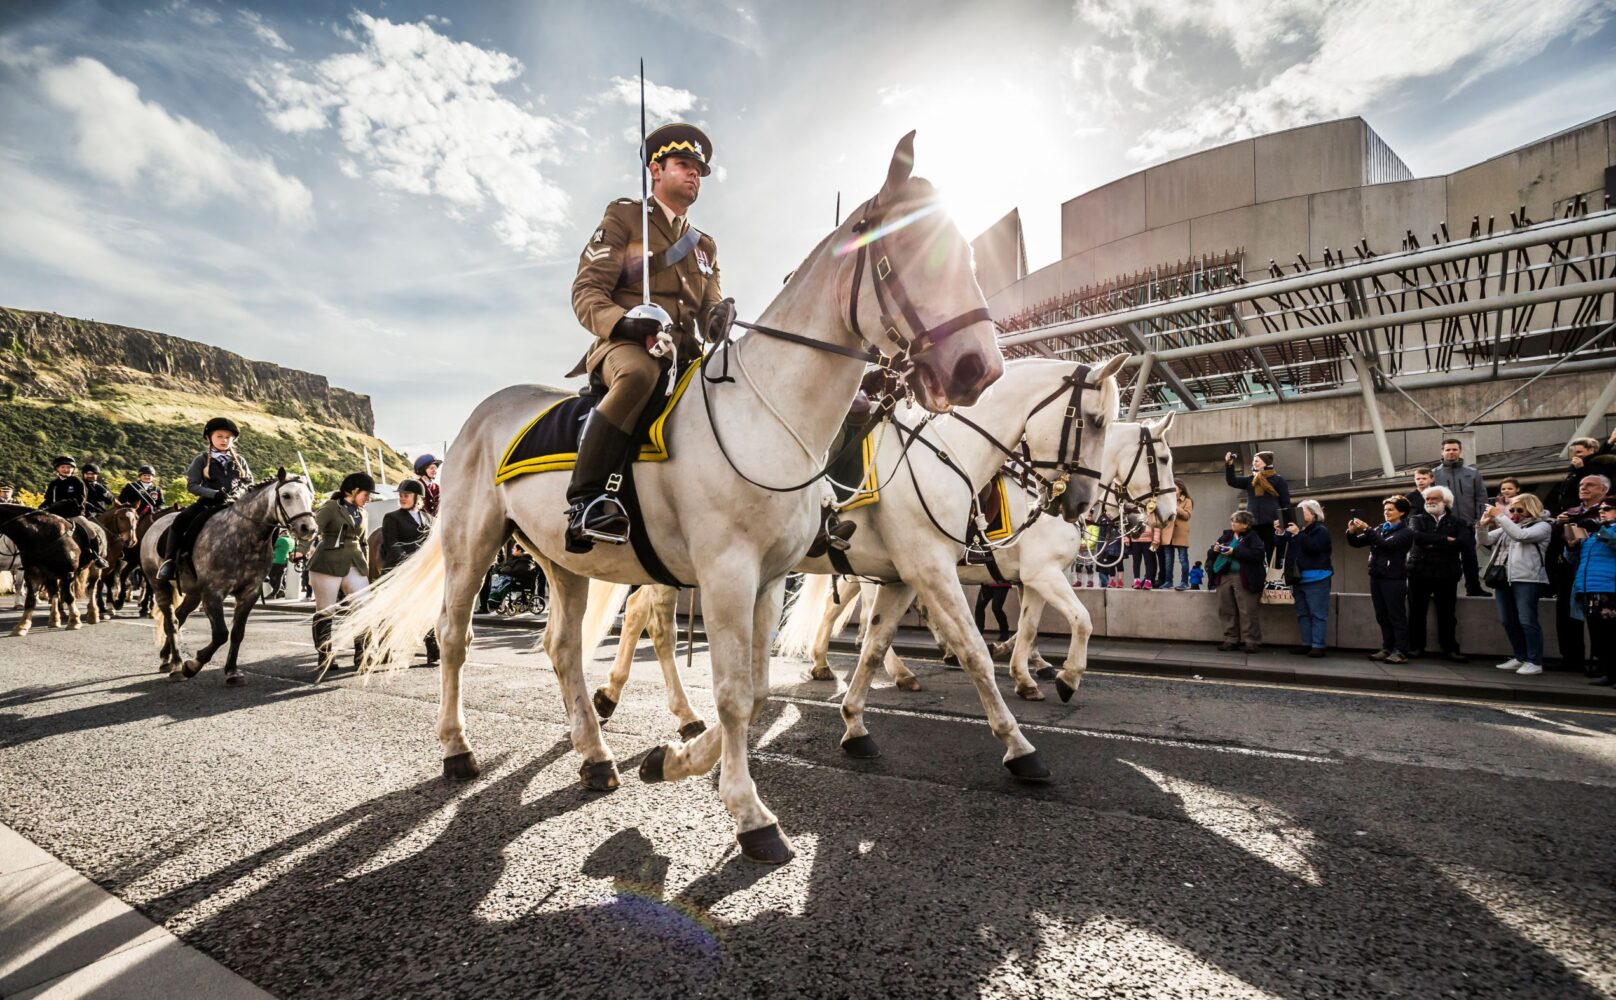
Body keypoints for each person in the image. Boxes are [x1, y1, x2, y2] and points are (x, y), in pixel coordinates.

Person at [566, 122, 732, 553]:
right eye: (684, 164)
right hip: (626, 344)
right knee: (642, 374)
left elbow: (708, 309)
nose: (694, 174)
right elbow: (586, 292)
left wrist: (721, 318)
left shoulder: (705, 246)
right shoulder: (624, 217)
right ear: (656, 170)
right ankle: (586, 500)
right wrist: (622, 324)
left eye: (699, 169)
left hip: (685, 353)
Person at [158, 418, 252, 582]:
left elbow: (248, 482)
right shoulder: (200, 460)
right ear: (210, 438)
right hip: (208, 504)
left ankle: (256, 564)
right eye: (220, 436)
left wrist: (238, 493)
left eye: (228, 437)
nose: (224, 440)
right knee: (181, 520)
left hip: (236, 505)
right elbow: (192, 486)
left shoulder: (240, 461)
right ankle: (170, 561)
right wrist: (215, 494)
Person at [1479, 493, 1553, 675]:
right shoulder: (1508, 525)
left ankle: (1534, 660)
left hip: (1527, 578)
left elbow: (1521, 536)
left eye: (1520, 509)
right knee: (1507, 620)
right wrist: (1481, 525)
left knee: (1527, 620)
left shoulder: (1542, 525)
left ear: (1532, 509)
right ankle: (1520, 656)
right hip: (1504, 577)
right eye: (1512, 509)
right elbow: (1485, 541)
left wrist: (1501, 517)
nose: (1515, 513)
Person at [309, 473, 375, 673]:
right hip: (327, 562)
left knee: (364, 607)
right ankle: (325, 654)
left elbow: (363, 542)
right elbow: (313, 528)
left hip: (355, 562)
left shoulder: (363, 513)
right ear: (352, 490)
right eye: (366, 493)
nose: (368, 498)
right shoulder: (331, 507)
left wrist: (367, 567)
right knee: (326, 610)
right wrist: (302, 549)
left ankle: (363, 654)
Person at [1547, 473, 1610, 675]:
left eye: (1590, 485)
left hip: (1601, 577)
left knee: (1600, 622)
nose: (1583, 488)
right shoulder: (1571, 511)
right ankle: (1571, 658)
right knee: (1565, 614)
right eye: (1582, 485)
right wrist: (1560, 525)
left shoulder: (1605, 514)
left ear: (1604, 490)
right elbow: (1567, 544)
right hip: (1573, 569)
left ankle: (1604, 664)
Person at [1346, 496, 1415, 664]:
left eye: (1391, 510)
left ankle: (1400, 651)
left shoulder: (1406, 532)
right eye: (1385, 510)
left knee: (1396, 616)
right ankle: (1387, 648)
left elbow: (1387, 546)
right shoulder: (1380, 528)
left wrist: (1368, 529)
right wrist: (1351, 532)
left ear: (1402, 512)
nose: (1387, 513)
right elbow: (1356, 543)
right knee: (1382, 616)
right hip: (1377, 576)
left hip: (1394, 578)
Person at [1406, 485, 1467, 662]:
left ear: (1446, 502)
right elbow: (1416, 537)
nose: (1430, 502)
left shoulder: (1458, 522)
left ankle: (1450, 648)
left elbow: (1463, 543)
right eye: (1428, 499)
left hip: (1447, 572)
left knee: (1447, 613)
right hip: (1419, 571)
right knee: (1417, 612)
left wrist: (1431, 542)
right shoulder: (1416, 519)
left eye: (1434, 499)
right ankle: (1416, 647)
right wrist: (1445, 539)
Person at [381, 479, 438, 663]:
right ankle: (385, 646)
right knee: (392, 610)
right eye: (401, 495)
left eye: (406, 495)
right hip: (399, 569)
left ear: (417, 497)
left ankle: (432, 647)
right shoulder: (391, 517)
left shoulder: (430, 519)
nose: (402, 498)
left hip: (423, 572)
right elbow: (392, 544)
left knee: (428, 609)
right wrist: (409, 562)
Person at [1431, 438, 1487, 596]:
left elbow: (1481, 498)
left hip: (1467, 524)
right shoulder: (1434, 474)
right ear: (1442, 452)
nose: (1451, 452)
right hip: (1444, 525)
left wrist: (1479, 519)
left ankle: (1474, 588)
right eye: (1448, 450)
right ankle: (1445, 590)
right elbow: (1428, 499)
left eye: (1454, 449)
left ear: (1460, 451)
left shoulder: (1473, 473)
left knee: (1470, 558)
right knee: (1445, 559)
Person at [1571, 499, 1616, 686]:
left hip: (1609, 587)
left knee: (1612, 633)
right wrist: (1571, 545)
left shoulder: (1605, 531)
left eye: (1607, 508)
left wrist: (1600, 530)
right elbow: (1574, 559)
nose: (1602, 512)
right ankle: (1609, 673)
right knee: (1598, 634)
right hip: (1588, 587)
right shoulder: (1594, 534)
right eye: (1600, 509)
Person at [1225, 450, 1292, 567]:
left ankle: (1273, 577)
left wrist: (1283, 521)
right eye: (1253, 461)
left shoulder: (1278, 480)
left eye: (1257, 461)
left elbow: (1285, 502)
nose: (1254, 463)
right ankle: (1255, 575)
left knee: (1272, 551)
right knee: (1252, 550)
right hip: (1253, 522)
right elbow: (1232, 481)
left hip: (1271, 522)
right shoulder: (1250, 479)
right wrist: (1229, 465)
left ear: (1265, 463)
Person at [1209, 511, 1265, 652]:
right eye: (1232, 521)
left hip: (1244, 577)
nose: (1232, 524)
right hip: (1224, 576)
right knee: (1225, 609)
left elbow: (1258, 555)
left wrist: (1234, 552)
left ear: (1246, 525)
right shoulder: (1226, 535)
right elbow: (1211, 554)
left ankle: (1251, 642)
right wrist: (1215, 549)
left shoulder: (1253, 537)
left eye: (1236, 522)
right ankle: (1230, 639)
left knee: (1247, 610)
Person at [1283, 499, 1333, 657]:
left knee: (1318, 614)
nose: (1299, 514)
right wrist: (1280, 531)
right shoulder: (1297, 530)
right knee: (1302, 613)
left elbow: (1314, 548)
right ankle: (1306, 643)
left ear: (1314, 514)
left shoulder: (1321, 530)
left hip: (1317, 578)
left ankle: (1318, 645)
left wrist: (1298, 534)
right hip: (1298, 578)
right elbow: (1280, 544)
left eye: (1302, 511)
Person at [1548, 433, 1616, 513]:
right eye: (1573, 452)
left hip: (1588, 511)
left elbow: (1593, 481)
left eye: (1579, 452)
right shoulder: (1575, 469)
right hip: (1571, 511)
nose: (1576, 455)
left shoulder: (1598, 465)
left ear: (1591, 450)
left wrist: (1580, 469)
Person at [1155, 483, 1192, 589]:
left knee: (1183, 559)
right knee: (1168, 560)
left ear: (1181, 489)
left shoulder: (1187, 501)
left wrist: (1175, 507)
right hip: (1167, 533)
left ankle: (1184, 582)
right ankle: (1168, 581)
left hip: (1180, 533)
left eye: (1174, 488)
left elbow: (1187, 516)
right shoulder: (1166, 501)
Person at [267, 528, 293, 599]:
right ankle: (276, 592)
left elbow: (271, 544)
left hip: (277, 561)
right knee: (279, 577)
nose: (279, 535)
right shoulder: (292, 541)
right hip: (285, 562)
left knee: (269, 576)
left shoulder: (281, 539)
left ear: (283, 533)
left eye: (280, 534)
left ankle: (279, 591)